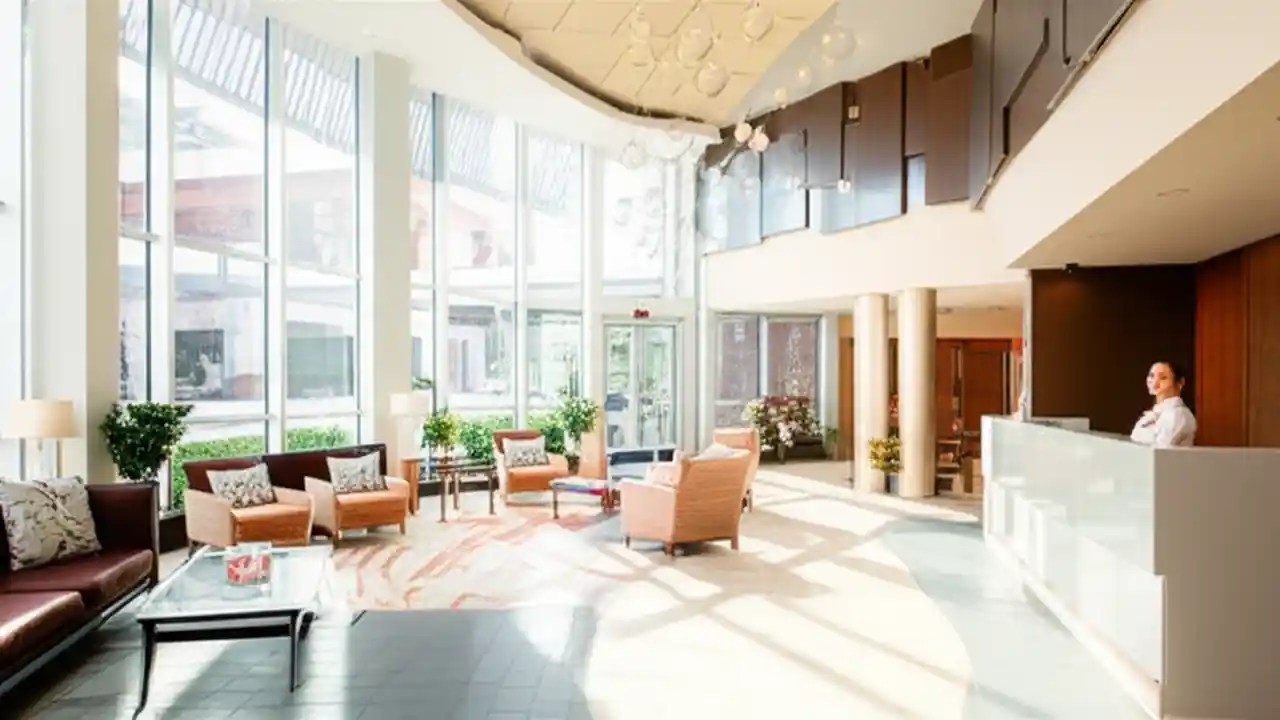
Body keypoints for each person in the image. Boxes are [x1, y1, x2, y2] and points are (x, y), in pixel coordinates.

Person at [1130, 361, 1197, 448]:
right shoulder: (1153, 413)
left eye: (1163, 377)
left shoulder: (1179, 414)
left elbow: (1162, 448)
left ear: (1180, 383)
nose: (1155, 382)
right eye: (1152, 376)